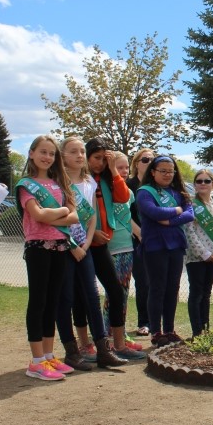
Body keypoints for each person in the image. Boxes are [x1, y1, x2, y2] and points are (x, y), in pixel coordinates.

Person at [56, 137, 127, 369]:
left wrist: (86, 243)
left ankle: (109, 347)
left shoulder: (94, 181)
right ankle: (77, 348)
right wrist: (78, 242)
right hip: (68, 246)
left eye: (81, 152)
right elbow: (60, 217)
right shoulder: (59, 182)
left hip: (89, 245)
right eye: (74, 152)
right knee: (70, 297)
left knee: (102, 295)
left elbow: (107, 206)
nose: (79, 156)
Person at [17, 135, 79, 381]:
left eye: (52, 154)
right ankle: (36, 360)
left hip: (60, 246)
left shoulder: (59, 183)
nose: (47, 157)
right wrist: (62, 211)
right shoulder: (26, 184)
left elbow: (75, 217)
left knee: (53, 301)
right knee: (39, 301)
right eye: (43, 152)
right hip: (38, 247)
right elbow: (38, 215)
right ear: (31, 153)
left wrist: (57, 214)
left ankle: (49, 355)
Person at [81, 136, 139, 359]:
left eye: (104, 160)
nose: (100, 164)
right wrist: (90, 232)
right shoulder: (82, 180)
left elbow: (123, 196)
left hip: (100, 244)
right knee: (84, 295)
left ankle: (118, 344)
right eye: (96, 158)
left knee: (116, 292)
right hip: (83, 242)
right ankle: (85, 345)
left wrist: (113, 169)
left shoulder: (106, 179)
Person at [136, 156, 195, 346]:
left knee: (173, 289)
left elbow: (190, 214)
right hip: (155, 246)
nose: (168, 174)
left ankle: (169, 329)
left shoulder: (178, 192)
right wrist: (178, 210)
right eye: (163, 171)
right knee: (157, 288)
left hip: (176, 245)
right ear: (153, 172)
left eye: (171, 171)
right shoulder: (145, 192)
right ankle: (156, 332)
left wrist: (169, 220)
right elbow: (154, 213)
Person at [102, 151, 142, 353]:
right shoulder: (104, 190)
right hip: (111, 248)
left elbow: (127, 219)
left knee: (124, 293)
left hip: (127, 247)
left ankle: (120, 332)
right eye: (119, 167)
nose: (124, 171)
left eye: (126, 167)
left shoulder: (128, 191)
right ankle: (108, 335)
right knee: (113, 294)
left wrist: (140, 234)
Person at [184, 169, 213, 337]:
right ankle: (197, 331)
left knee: (207, 294)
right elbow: (189, 232)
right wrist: (205, 253)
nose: (203, 184)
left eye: (206, 181)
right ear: (194, 185)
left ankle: (205, 328)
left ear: (212, 184)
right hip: (196, 257)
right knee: (196, 293)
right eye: (199, 181)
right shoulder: (191, 205)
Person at [127, 148, 154, 336]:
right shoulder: (128, 185)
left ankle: (156, 321)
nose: (149, 162)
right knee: (142, 281)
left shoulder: (156, 186)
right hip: (135, 240)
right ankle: (144, 321)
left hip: (155, 239)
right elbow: (123, 213)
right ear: (136, 162)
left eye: (153, 160)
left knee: (156, 282)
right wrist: (139, 232)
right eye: (145, 159)